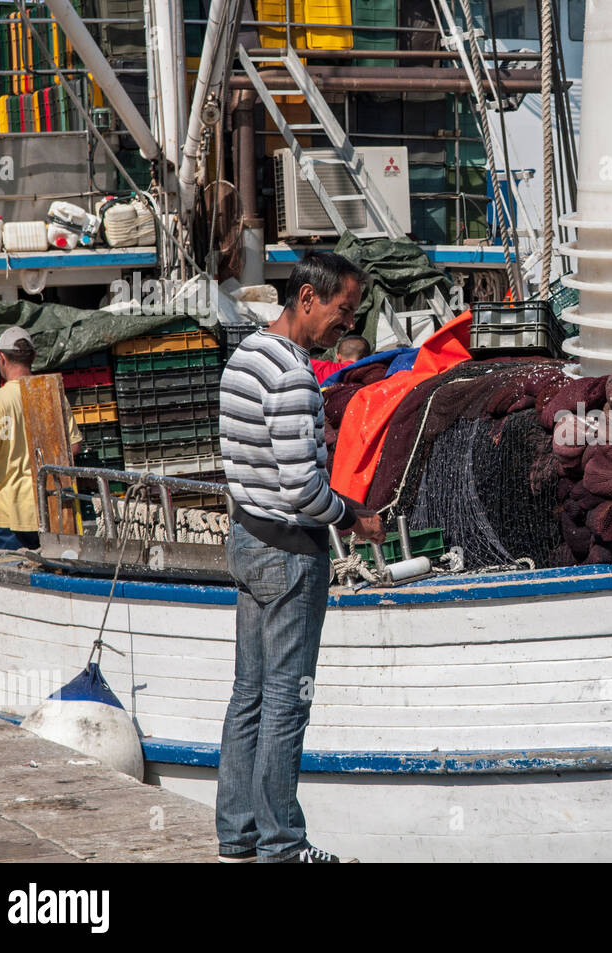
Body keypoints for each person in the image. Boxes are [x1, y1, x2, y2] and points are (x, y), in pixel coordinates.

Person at [216, 252, 385, 864]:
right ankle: (283, 846)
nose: (347, 324)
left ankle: (238, 836)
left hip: (247, 540)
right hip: (288, 554)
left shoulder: (245, 356)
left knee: (249, 696)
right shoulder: (291, 374)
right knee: (288, 699)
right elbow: (303, 492)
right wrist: (354, 516)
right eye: (344, 311)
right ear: (308, 298)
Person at [0, 327, 82, 550]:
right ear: (33, 357)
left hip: (11, 514)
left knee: (13, 573)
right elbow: (73, 447)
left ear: (2, 358)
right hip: (53, 508)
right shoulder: (52, 393)